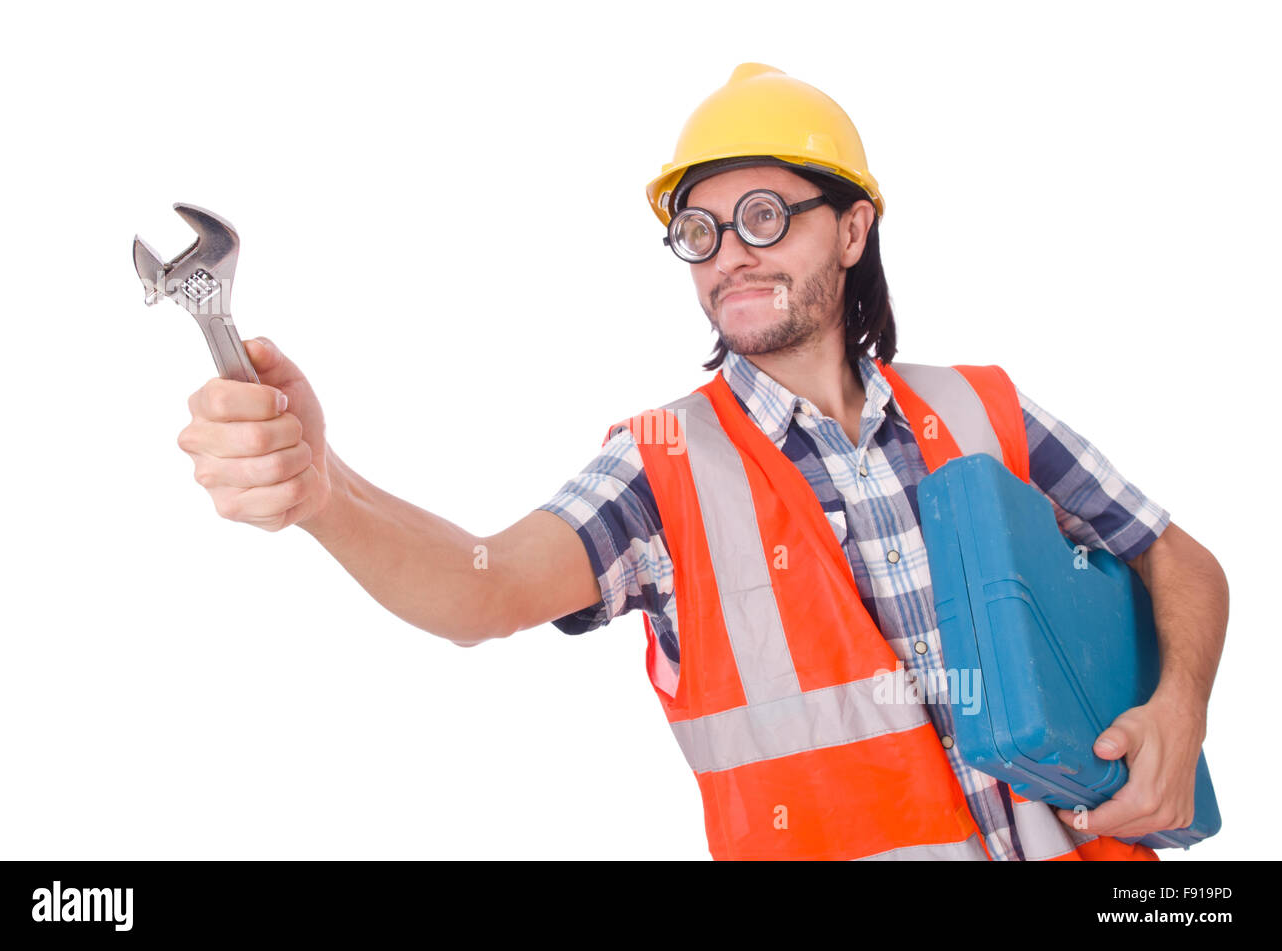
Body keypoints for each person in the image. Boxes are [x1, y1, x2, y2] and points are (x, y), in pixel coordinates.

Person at [176, 63, 1228, 860]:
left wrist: (1180, 707)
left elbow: (1178, 558)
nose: (729, 252)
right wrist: (323, 491)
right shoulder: (663, 464)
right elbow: (477, 587)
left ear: (852, 228)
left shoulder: (981, 405)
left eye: (765, 217)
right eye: (699, 230)